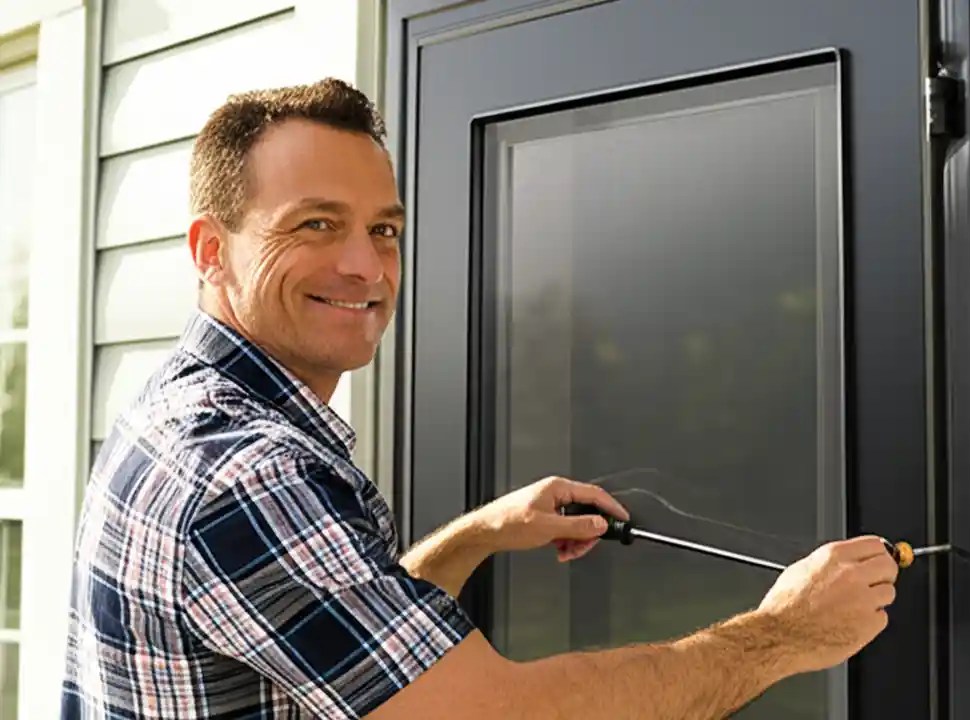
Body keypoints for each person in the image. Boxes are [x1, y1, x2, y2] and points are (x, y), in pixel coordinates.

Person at [61, 77, 899, 719]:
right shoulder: (244, 472)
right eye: (316, 224)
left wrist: (479, 536)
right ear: (212, 250)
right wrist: (785, 634)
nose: (366, 266)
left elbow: (346, 645)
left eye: (384, 230)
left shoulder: (180, 412)